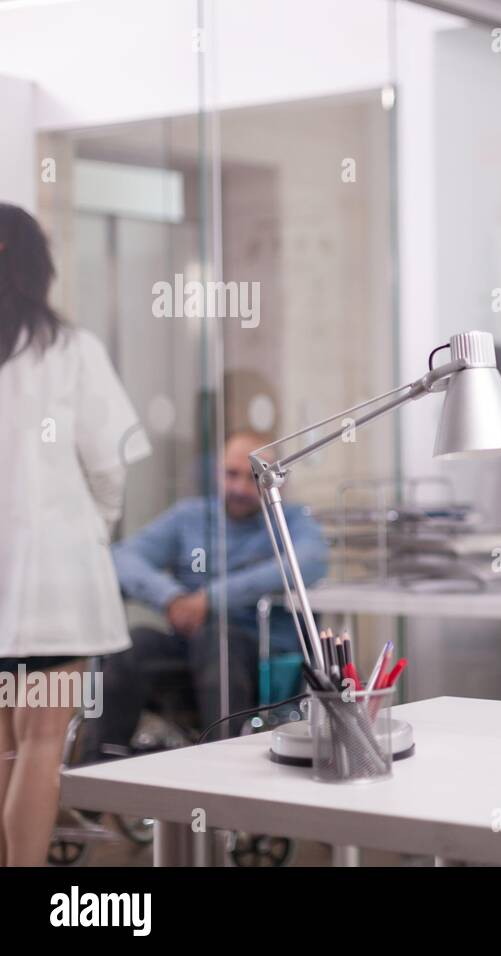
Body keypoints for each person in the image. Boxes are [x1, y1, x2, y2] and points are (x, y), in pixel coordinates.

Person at [0, 202, 150, 865]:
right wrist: (97, 524)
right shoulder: (70, 350)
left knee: (6, 744)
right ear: (42, 268)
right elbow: (110, 462)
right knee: (41, 745)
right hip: (55, 585)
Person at [91, 431, 328, 752]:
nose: (240, 488)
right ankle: (96, 774)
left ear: (276, 480)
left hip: (256, 654)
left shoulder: (290, 518)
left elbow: (311, 561)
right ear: (217, 472)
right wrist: (170, 597)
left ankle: (220, 764)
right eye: (231, 474)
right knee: (133, 644)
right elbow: (123, 557)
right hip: (188, 646)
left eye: (252, 477)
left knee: (216, 639)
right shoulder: (190, 517)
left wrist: (211, 599)